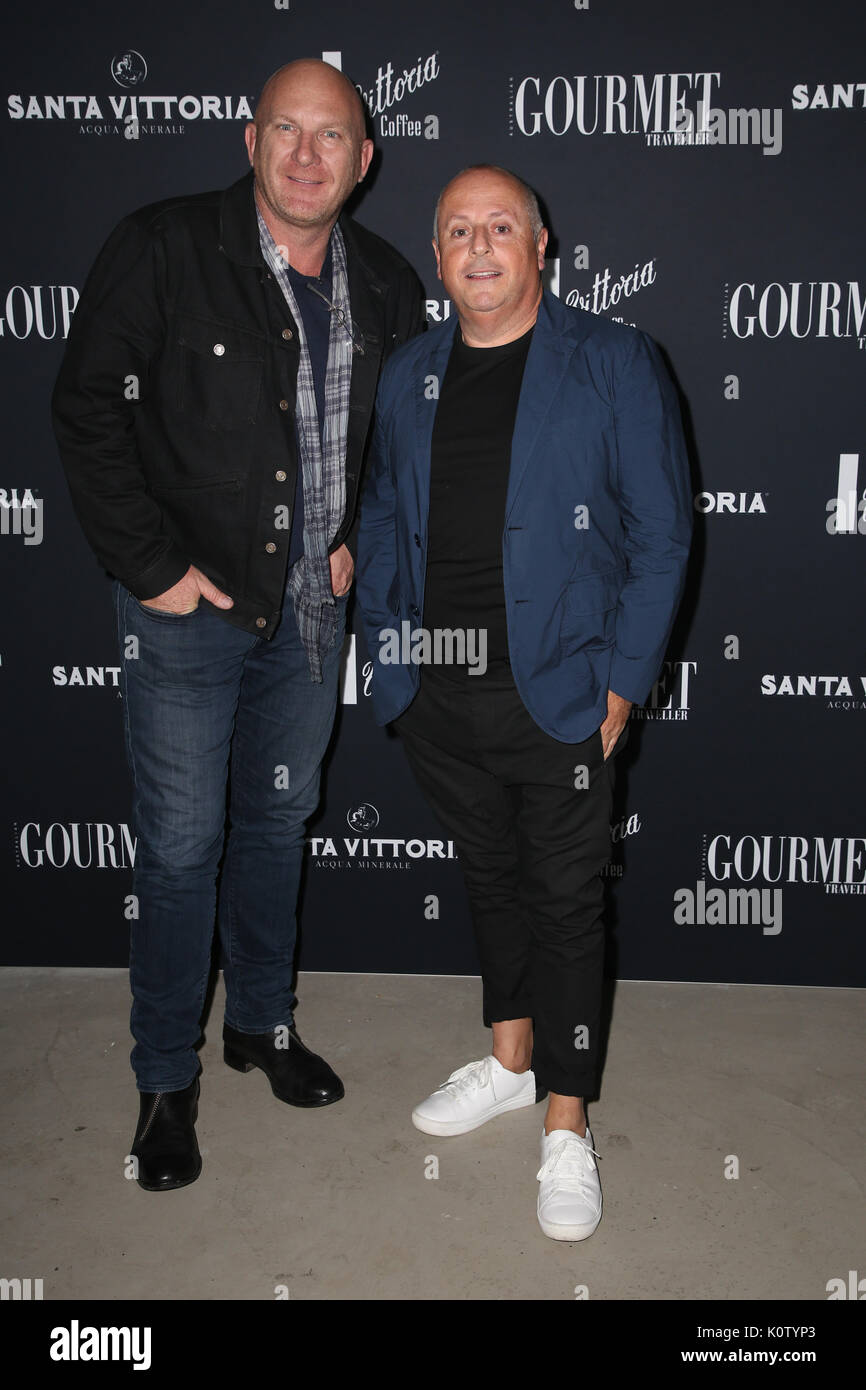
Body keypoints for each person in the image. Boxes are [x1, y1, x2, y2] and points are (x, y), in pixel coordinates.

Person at [51, 59, 425, 1192]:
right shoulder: (164, 247)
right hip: (186, 618)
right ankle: (165, 1081)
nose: (307, 154)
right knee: (178, 852)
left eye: (332, 136)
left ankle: (260, 1024)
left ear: (364, 160)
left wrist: (357, 532)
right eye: (286, 130)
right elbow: (87, 409)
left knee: (274, 827)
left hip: (310, 615)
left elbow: (395, 444)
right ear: (249, 140)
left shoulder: (388, 282)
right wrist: (153, 569)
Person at [356, 164, 691, 1241]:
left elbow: (662, 534)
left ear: (541, 245)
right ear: (438, 254)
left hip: (561, 692)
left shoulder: (613, 360)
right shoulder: (407, 372)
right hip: (437, 693)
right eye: (458, 230)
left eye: (500, 226)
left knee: (565, 903)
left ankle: (565, 1120)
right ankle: (509, 1060)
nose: (479, 246)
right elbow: (379, 517)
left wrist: (623, 680)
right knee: (489, 877)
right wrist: (388, 651)